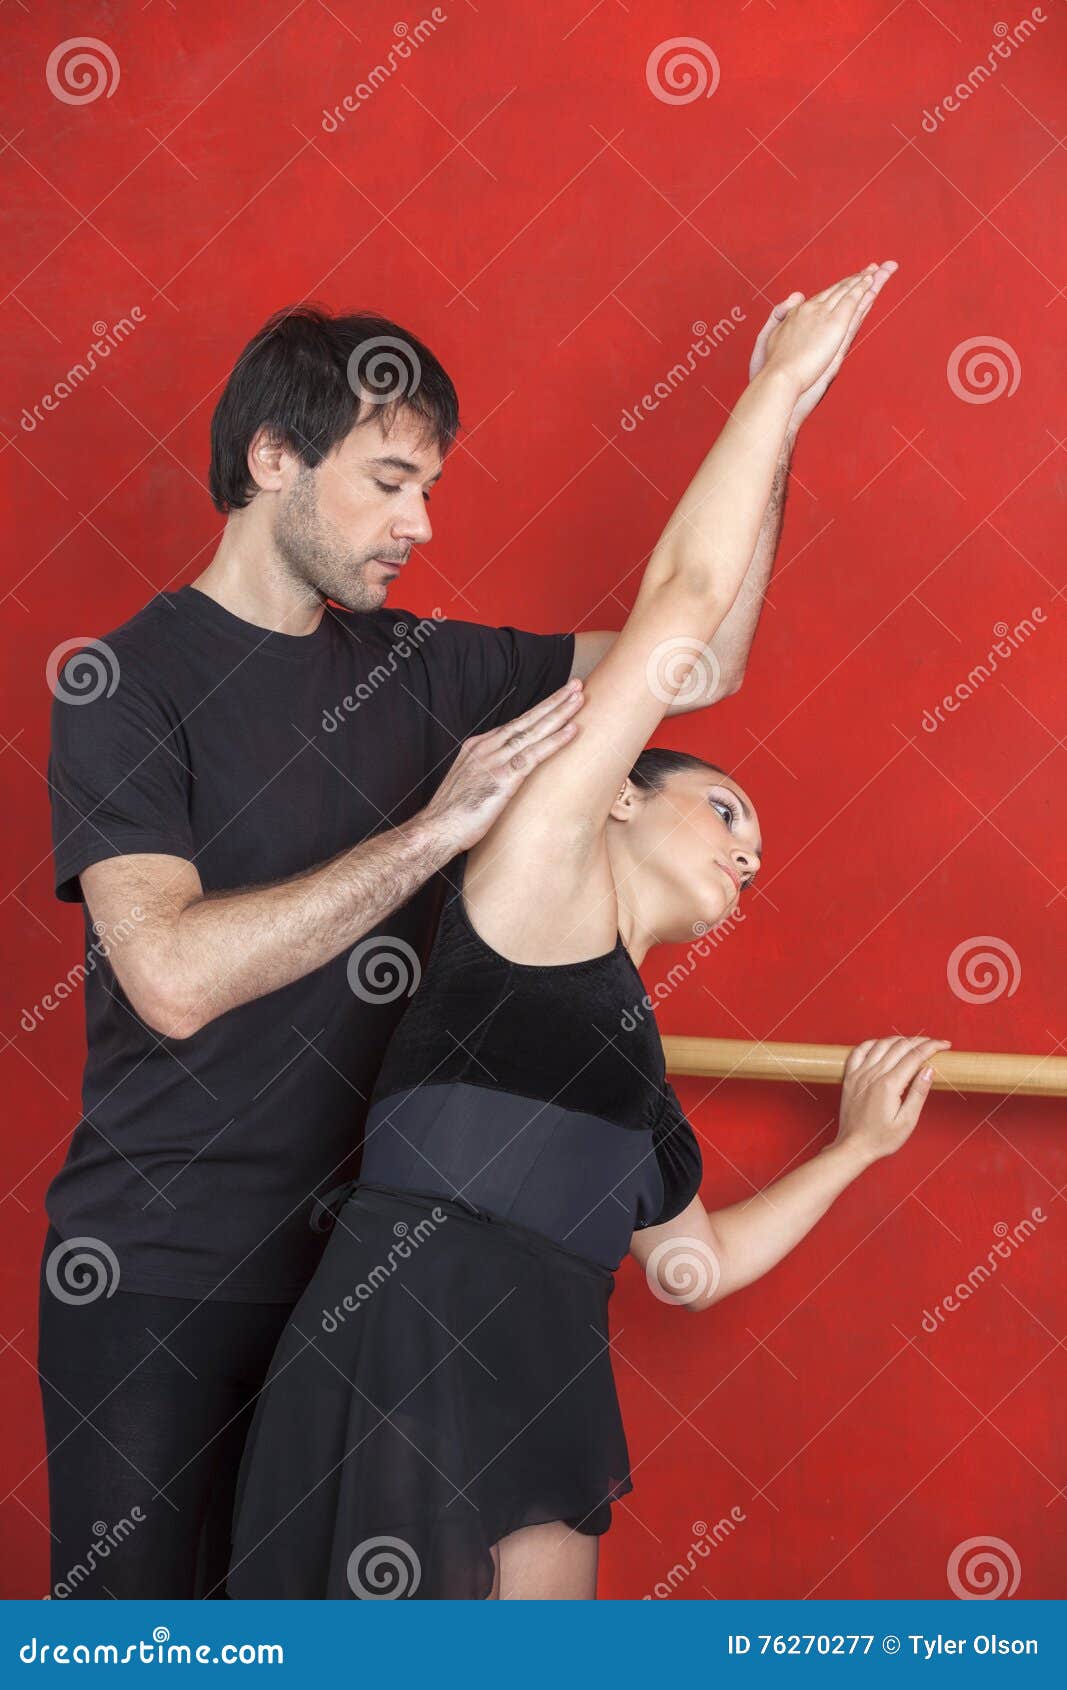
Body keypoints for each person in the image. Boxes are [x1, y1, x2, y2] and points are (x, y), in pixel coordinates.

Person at [37, 274, 881, 1598]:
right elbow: (174, 974)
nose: (419, 524)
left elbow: (697, 656)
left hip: (368, 1278)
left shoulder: (426, 667)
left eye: (429, 487)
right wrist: (435, 832)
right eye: (388, 482)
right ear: (274, 459)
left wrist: (779, 414)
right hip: (164, 1270)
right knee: (145, 1656)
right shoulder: (127, 683)